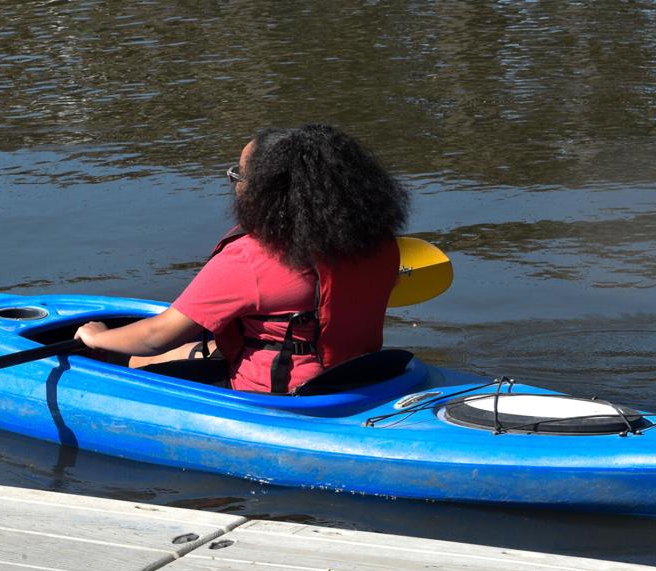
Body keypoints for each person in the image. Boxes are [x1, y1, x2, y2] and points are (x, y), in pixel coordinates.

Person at [76, 124, 409, 394]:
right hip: (363, 374)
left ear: (267, 191)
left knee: (136, 358)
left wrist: (96, 337)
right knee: (176, 354)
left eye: (238, 176)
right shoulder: (379, 245)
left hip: (283, 396)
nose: (235, 184)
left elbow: (155, 336)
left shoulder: (253, 257)